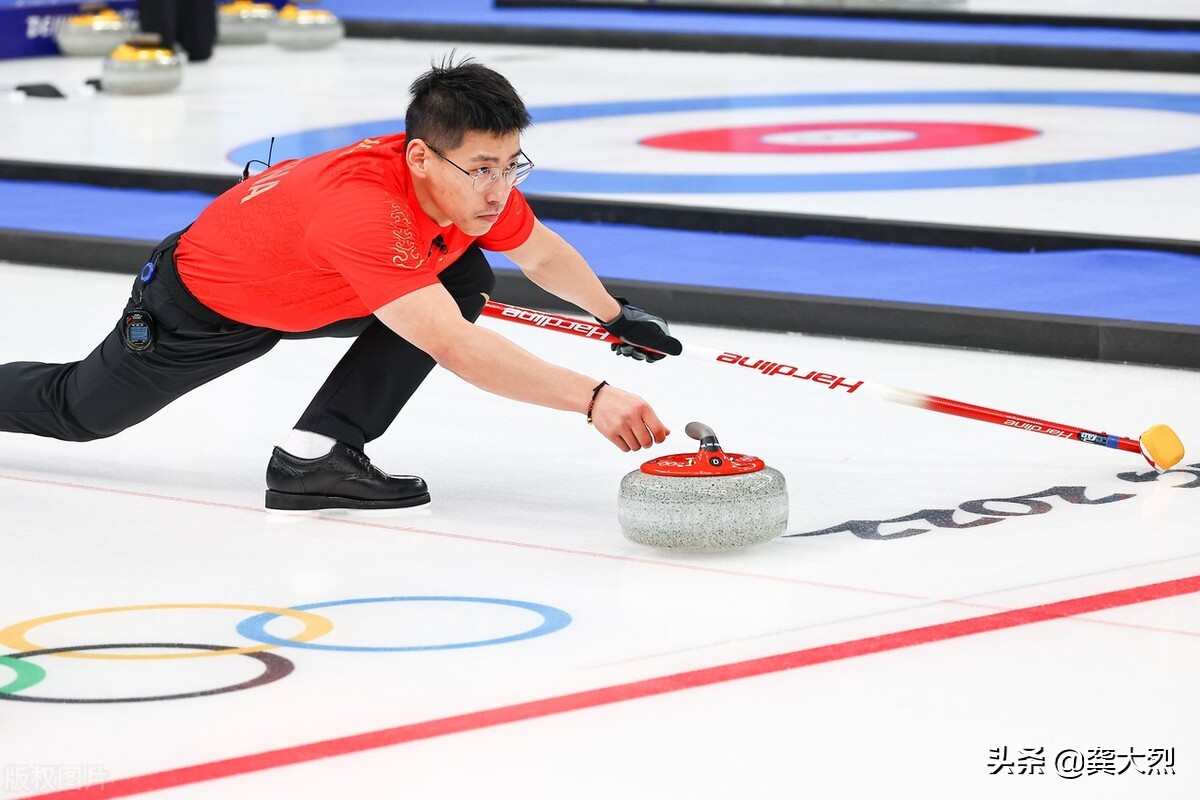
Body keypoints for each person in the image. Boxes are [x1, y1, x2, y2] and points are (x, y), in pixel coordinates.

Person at [0, 56, 681, 511]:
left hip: (303, 291)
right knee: (79, 413)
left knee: (466, 270)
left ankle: (317, 456)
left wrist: (613, 314)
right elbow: (454, 345)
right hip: (199, 310)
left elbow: (538, 251)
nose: (500, 187)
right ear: (420, 155)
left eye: (511, 165)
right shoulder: (364, 210)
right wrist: (592, 398)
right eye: (483, 167)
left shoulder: (467, 190)